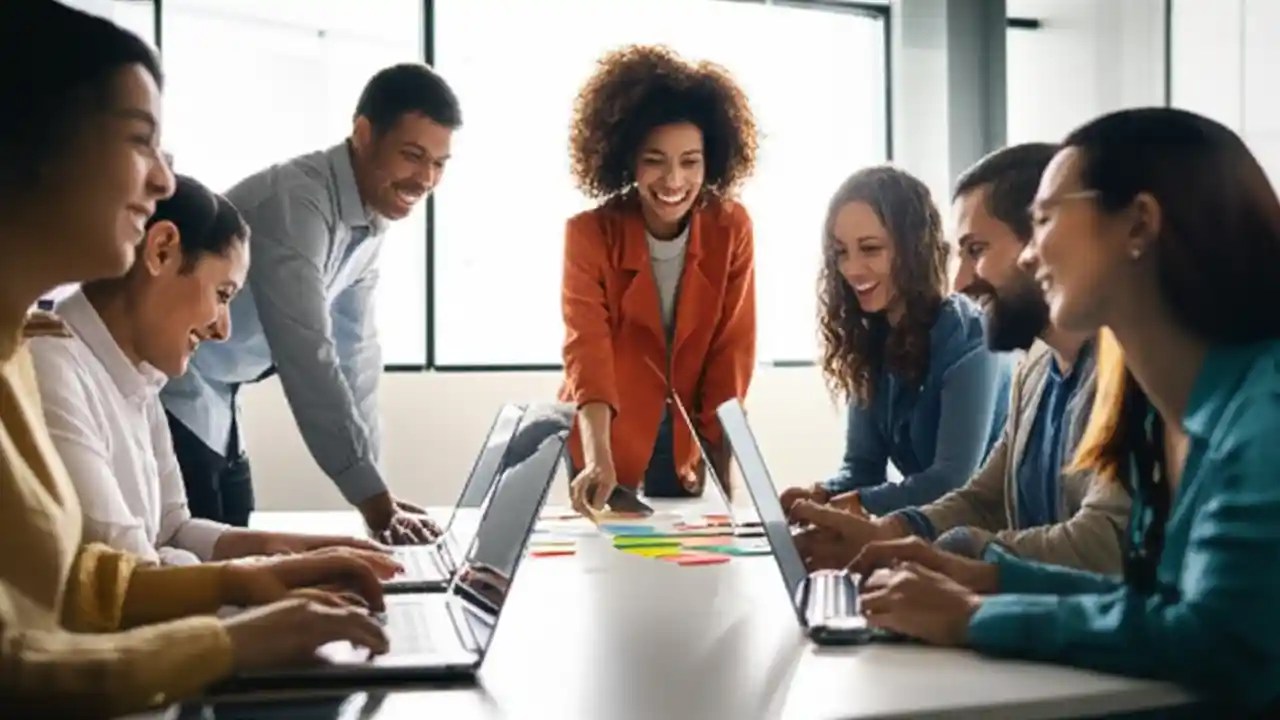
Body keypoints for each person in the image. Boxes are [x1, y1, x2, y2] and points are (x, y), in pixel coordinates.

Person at [0, 4, 395, 715]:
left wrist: (274, 569)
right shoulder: (47, 365)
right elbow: (41, 643)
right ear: (33, 141)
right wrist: (238, 622)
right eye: (141, 142)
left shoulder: (82, 369)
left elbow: (98, 579)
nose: (159, 183)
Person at [849, 108, 1280, 713]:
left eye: (1046, 218)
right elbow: (1153, 599)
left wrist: (976, 615)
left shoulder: (1264, 413)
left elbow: (1213, 638)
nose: (1028, 256)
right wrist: (988, 578)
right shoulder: (1164, 413)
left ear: (1138, 225)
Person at [788, 144, 1130, 574]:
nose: (961, 281)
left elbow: (1102, 545)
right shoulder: (1036, 372)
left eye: (977, 250)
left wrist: (947, 558)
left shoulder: (1126, 376)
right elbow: (983, 500)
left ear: (1041, 243)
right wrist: (888, 532)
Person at [160, 63, 462, 543]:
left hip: (220, 393)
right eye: (412, 155)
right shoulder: (299, 204)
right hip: (174, 385)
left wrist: (375, 492)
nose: (425, 178)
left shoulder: (369, 217)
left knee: (238, 549)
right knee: (202, 561)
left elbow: (356, 355)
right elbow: (308, 357)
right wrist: (372, 500)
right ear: (363, 134)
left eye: (439, 163)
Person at [29, 174, 392, 566]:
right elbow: (130, 574)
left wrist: (305, 550)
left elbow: (173, 530)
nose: (223, 330)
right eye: (222, 295)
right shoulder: (51, 367)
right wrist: (271, 579)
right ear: (162, 251)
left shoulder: (139, 378)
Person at [560, 45, 758, 515]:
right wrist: (598, 457)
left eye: (690, 161)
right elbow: (587, 350)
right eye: (656, 160)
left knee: (686, 572)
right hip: (604, 435)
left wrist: (729, 482)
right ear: (628, 159)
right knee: (608, 574)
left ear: (712, 160)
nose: (674, 179)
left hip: (686, 441)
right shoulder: (588, 234)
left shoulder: (732, 228)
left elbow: (731, 353)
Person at [780, 167, 1010, 517]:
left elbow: (951, 481)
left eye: (870, 249)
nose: (852, 269)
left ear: (913, 250)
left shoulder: (969, 338)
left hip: (982, 541)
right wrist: (822, 495)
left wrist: (859, 503)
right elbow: (862, 467)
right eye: (841, 252)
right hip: (927, 537)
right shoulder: (872, 338)